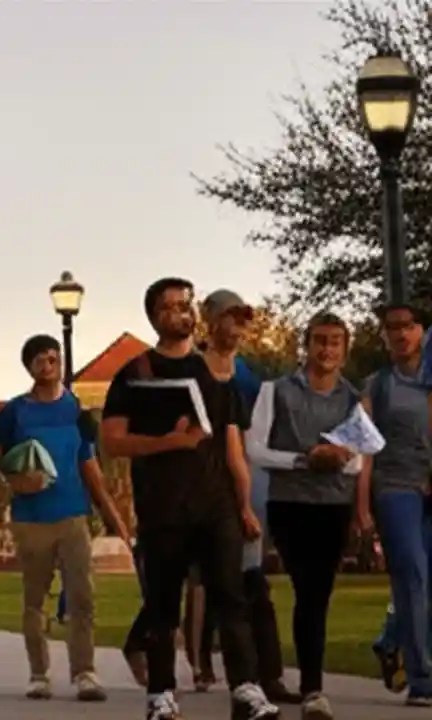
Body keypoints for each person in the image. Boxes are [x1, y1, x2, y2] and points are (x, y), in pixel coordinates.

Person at [100, 277, 278, 720]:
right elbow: (113, 441)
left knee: (231, 598)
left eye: (186, 304)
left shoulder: (216, 374)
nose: (181, 312)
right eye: (170, 306)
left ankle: (246, 691)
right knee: (164, 605)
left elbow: (233, 448)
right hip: (163, 506)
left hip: (215, 504)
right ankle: (161, 695)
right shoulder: (137, 373)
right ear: (154, 316)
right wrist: (170, 442)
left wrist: (243, 506)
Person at [0, 334, 130, 702]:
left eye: (54, 358)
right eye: (41, 359)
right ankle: (39, 673)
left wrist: (115, 517)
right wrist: (18, 481)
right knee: (35, 598)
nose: (49, 364)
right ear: (30, 366)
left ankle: (85, 671)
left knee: (83, 595)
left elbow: (90, 467)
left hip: (72, 515)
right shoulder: (14, 412)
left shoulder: (76, 411)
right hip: (31, 518)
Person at [245, 311, 363, 719]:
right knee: (307, 587)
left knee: (317, 593)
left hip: (334, 504)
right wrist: (303, 459)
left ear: (345, 351)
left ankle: (312, 687)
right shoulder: (274, 391)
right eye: (319, 340)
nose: (326, 349)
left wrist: (334, 459)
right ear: (306, 345)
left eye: (335, 341)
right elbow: (254, 449)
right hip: (290, 502)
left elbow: (358, 461)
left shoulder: (353, 398)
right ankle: (312, 688)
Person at [200, 292, 299, 704]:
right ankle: (198, 661)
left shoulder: (247, 376)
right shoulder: (193, 368)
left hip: (244, 477)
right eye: (230, 316)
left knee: (250, 578)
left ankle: (265, 677)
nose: (238, 324)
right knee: (207, 580)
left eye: (243, 317)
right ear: (209, 320)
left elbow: (256, 430)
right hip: (201, 482)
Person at [356, 302, 432, 706]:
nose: (401, 334)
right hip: (396, 487)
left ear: (422, 331)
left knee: (426, 581)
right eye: (392, 328)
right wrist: (363, 506)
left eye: (409, 326)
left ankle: (390, 640)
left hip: (429, 486)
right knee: (413, 577)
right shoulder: (377, 385)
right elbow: (364, 449)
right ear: (384, 336)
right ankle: (422, 680)